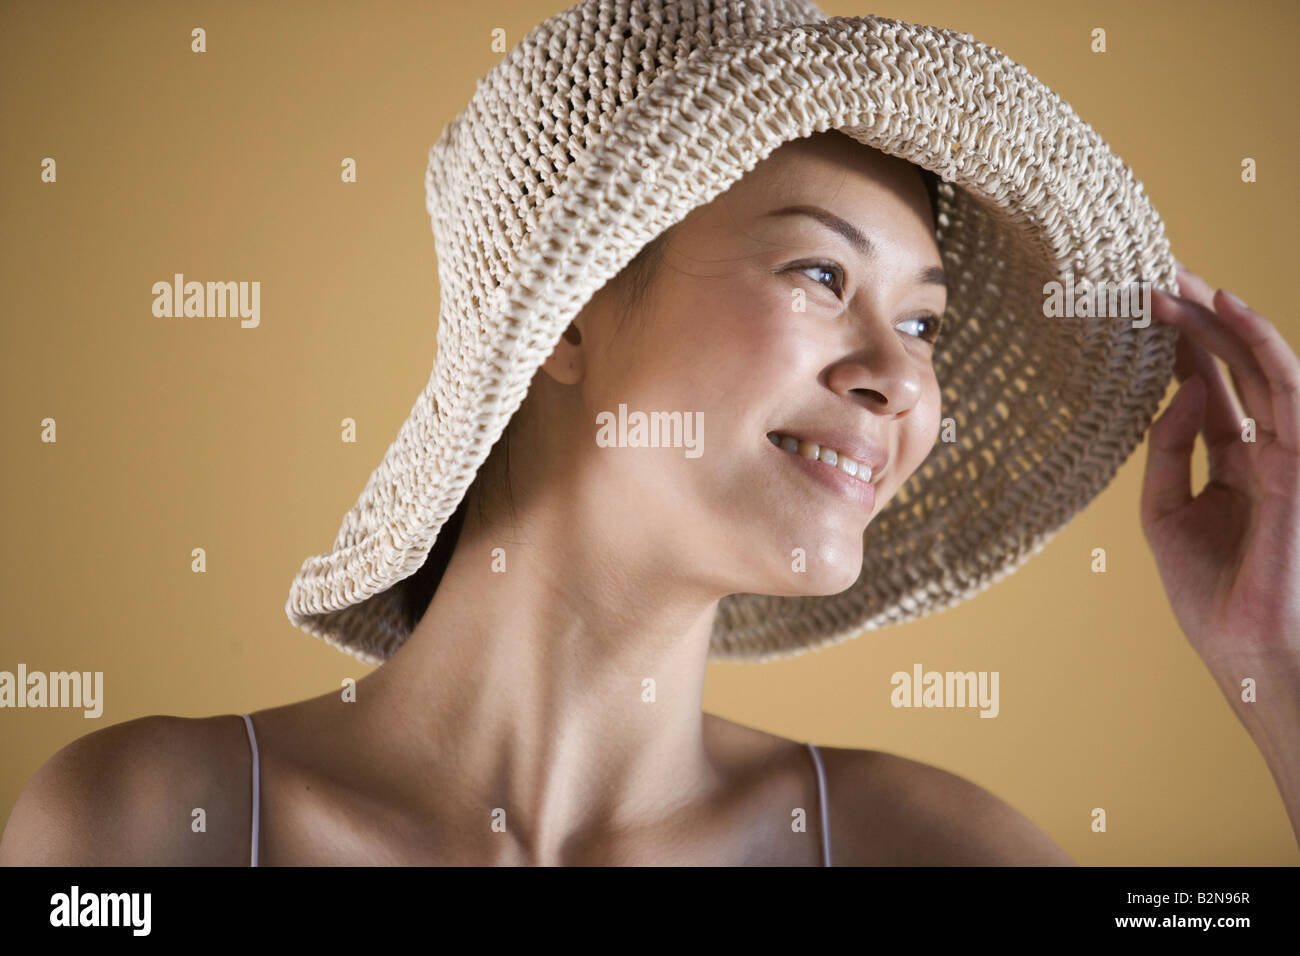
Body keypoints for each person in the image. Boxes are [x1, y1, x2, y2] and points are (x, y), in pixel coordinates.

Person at [3, 1, 1297, 866]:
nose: (898, 378)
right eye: (816, 277)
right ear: (566, 317)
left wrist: (1279, 671)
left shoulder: (936, 853)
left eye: (926, 321)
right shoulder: (141, 832)